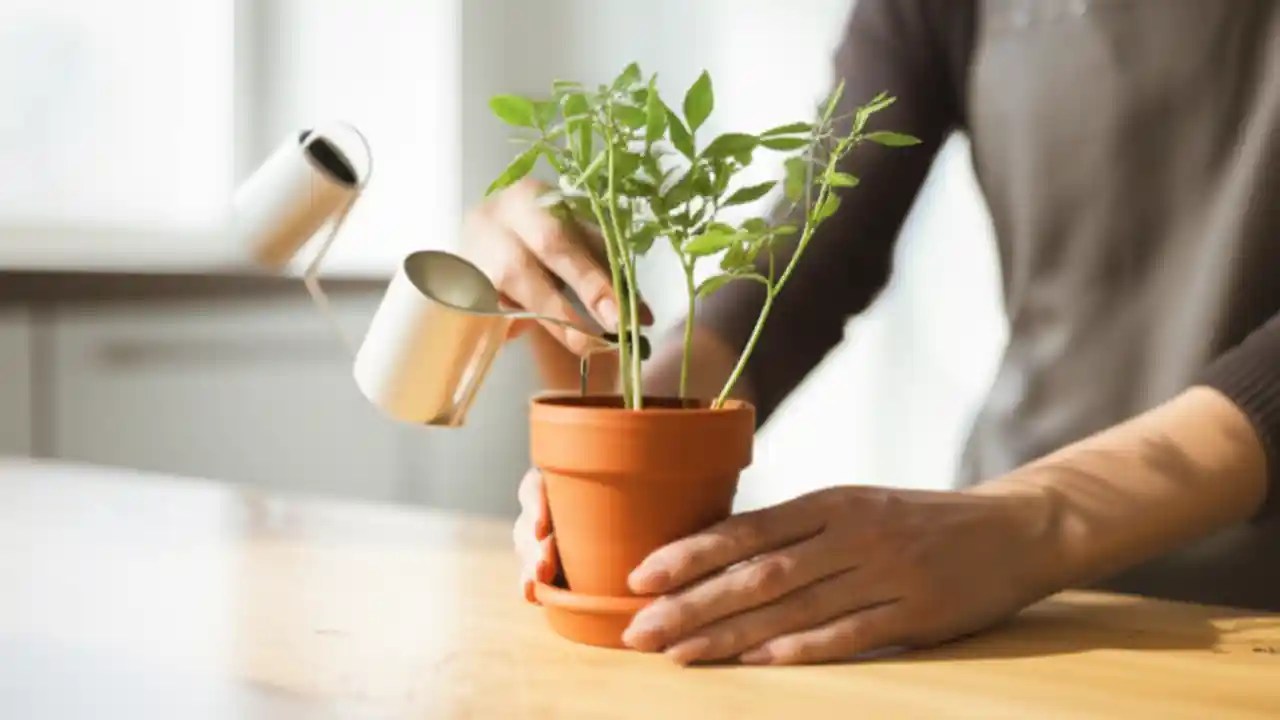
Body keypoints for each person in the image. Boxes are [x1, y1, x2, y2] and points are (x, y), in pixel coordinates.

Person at [463, 0, 1280, 665]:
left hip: (1237, 615)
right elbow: (812, 253)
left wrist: (1035, 522)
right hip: (1013, 606)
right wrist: (633, 426)